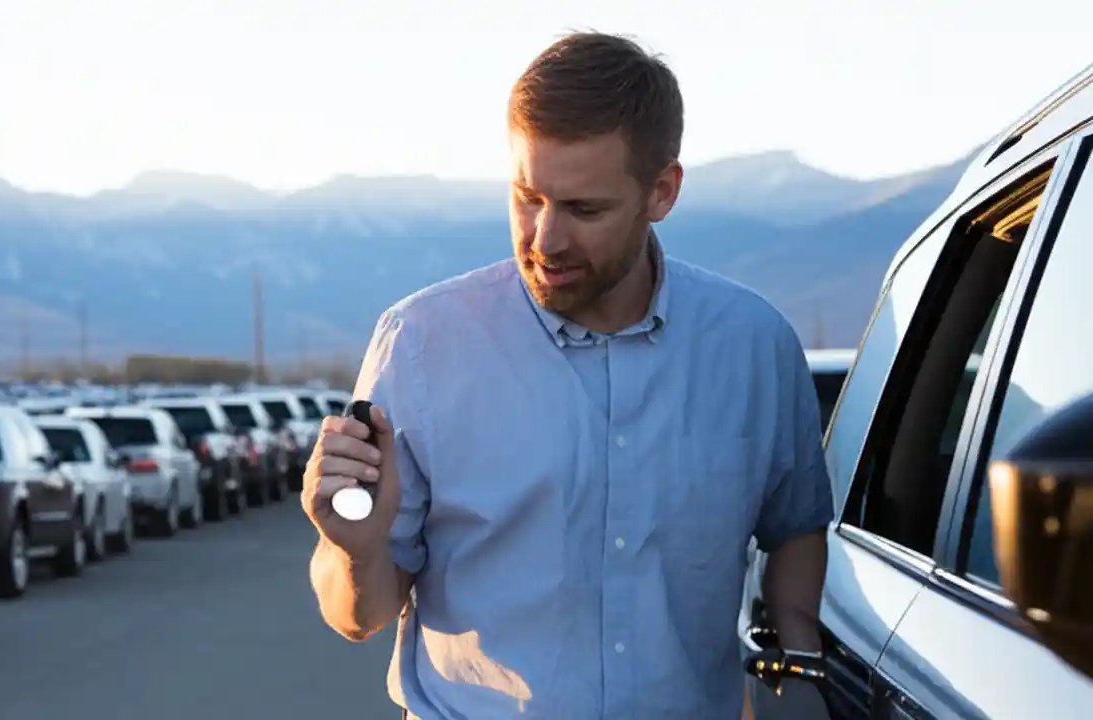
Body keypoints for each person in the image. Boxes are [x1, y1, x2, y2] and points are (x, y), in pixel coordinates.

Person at [303, 30, 832, 719]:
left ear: (662, 192)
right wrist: (352, 550)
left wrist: (797, 677)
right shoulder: (421, 345)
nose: (545, 239)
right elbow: (360, 616)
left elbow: (795, 527)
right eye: (527, 197)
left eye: (585, 209)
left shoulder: (754, 347)